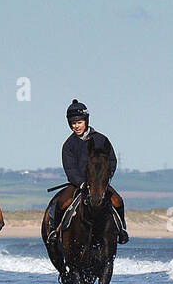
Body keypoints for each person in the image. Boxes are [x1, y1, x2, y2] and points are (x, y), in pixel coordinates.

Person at [53, 99, 128, 244]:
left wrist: (104, 179)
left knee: (118, 201)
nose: (76, 126)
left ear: (86, 121)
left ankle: (122, 230)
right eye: (73, 123)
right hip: (78, 184)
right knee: (62, 203)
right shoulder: (68, 145)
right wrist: (81, 183)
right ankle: (55, 233)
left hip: (99, 184)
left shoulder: (102, 139)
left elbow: (111, 160)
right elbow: (70, 168)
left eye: (79, 122)